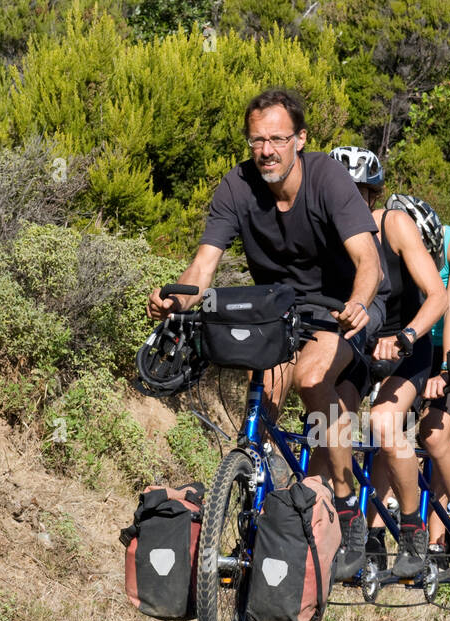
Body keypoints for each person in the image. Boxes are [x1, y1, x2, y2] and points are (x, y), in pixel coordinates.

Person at [146, 89, 387, 579]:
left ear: (300, 139)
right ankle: (252, 492)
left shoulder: (329, 180)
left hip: (343, 309)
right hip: (277, 311)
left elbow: (369, 262)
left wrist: (359, 303)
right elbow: (203, 266)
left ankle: (345, 504)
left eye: (278, 138)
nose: (267, 151)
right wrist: (177, 299)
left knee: (313, 377)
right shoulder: (236, 188)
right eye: (257, 140)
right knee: (262, 409)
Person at [328, 148, 447, 579]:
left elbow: (439, 296)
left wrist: (406, 337)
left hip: (407, 347)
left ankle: (413, 528)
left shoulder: (393, 225)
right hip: (358, 346)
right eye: (339, 192)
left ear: (372, 195)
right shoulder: (327, 234)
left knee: (382, 420)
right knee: (329, 417)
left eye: (357, 193)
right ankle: (345, 524)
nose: (347, 202)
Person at [384, 195, 450, 582]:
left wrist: (447, 370)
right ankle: (377, 528)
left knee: (433, 432)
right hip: (413, 343)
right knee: (386, 427)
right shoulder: (388, 238)